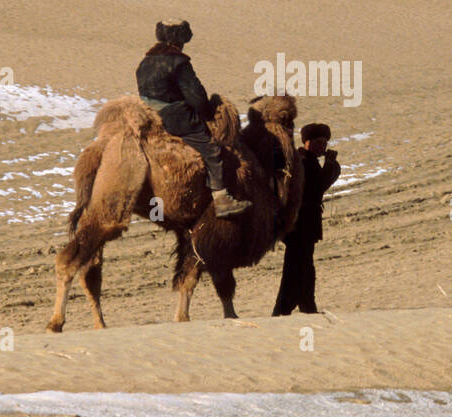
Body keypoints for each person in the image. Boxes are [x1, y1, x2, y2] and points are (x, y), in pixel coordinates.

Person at [135, 20, 251, 218]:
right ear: (180, 39)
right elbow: (196, 95)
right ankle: (221, 199)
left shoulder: (145, 62)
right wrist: (206, 113)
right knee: (211, 149)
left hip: (147, 116)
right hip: (175, 118)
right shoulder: (179, 62)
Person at [273, 123, 340, 315]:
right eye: (318, 142)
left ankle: (307, 305)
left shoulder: (302, 159)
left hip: (300, 226)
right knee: (297, 267)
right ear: (307, 142)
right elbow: (316, 189)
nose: (322, 146)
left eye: (324, 143)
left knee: (305, 267)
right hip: (300, 226)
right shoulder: (304, 161)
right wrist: (331, 166)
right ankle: (282, 310)